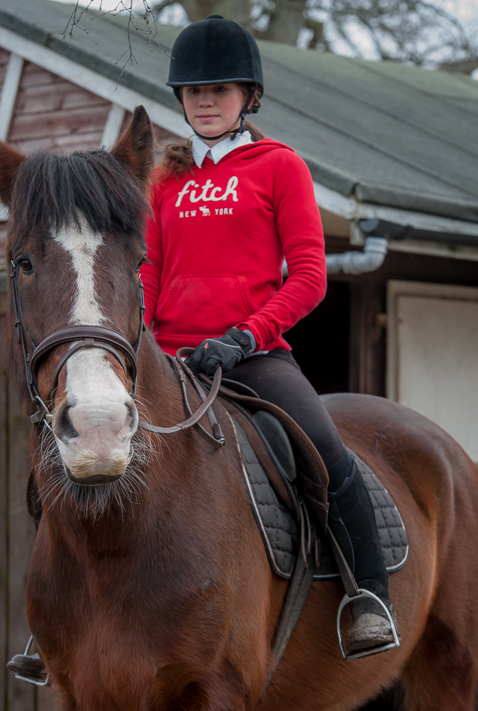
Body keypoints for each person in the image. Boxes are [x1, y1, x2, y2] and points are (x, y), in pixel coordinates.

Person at [141, 14, 399, 658]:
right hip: (168, 359)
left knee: (324, 447)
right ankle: (54, 619)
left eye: (219, 89)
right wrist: (137, 340)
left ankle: (368, 597)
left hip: (250, 356)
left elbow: (310, 276)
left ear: (248, 97)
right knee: (79, 447)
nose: (205, 101)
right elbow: (146, 275)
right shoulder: (163, 181)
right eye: (194, 91)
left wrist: (244, 336)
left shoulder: (279, 166)